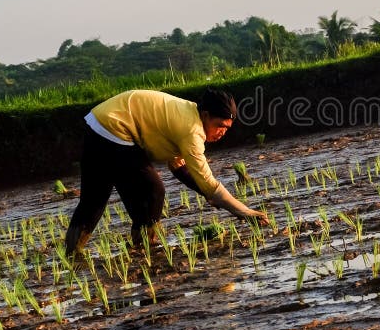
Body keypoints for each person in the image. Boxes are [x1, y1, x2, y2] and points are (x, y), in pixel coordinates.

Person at [65, 88, 265, 254]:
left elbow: (179, 166)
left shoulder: (185, 115)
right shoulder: (191, 130)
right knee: (152, 191)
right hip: (116, 128)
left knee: (93, 200)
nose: (222, 132)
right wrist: (245, 212)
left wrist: (209, 195)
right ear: (205, 115)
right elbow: (207, 181)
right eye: (219, 125)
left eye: (227, 128)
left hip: (98, 123)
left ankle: (71, 254)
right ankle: (145, 249)